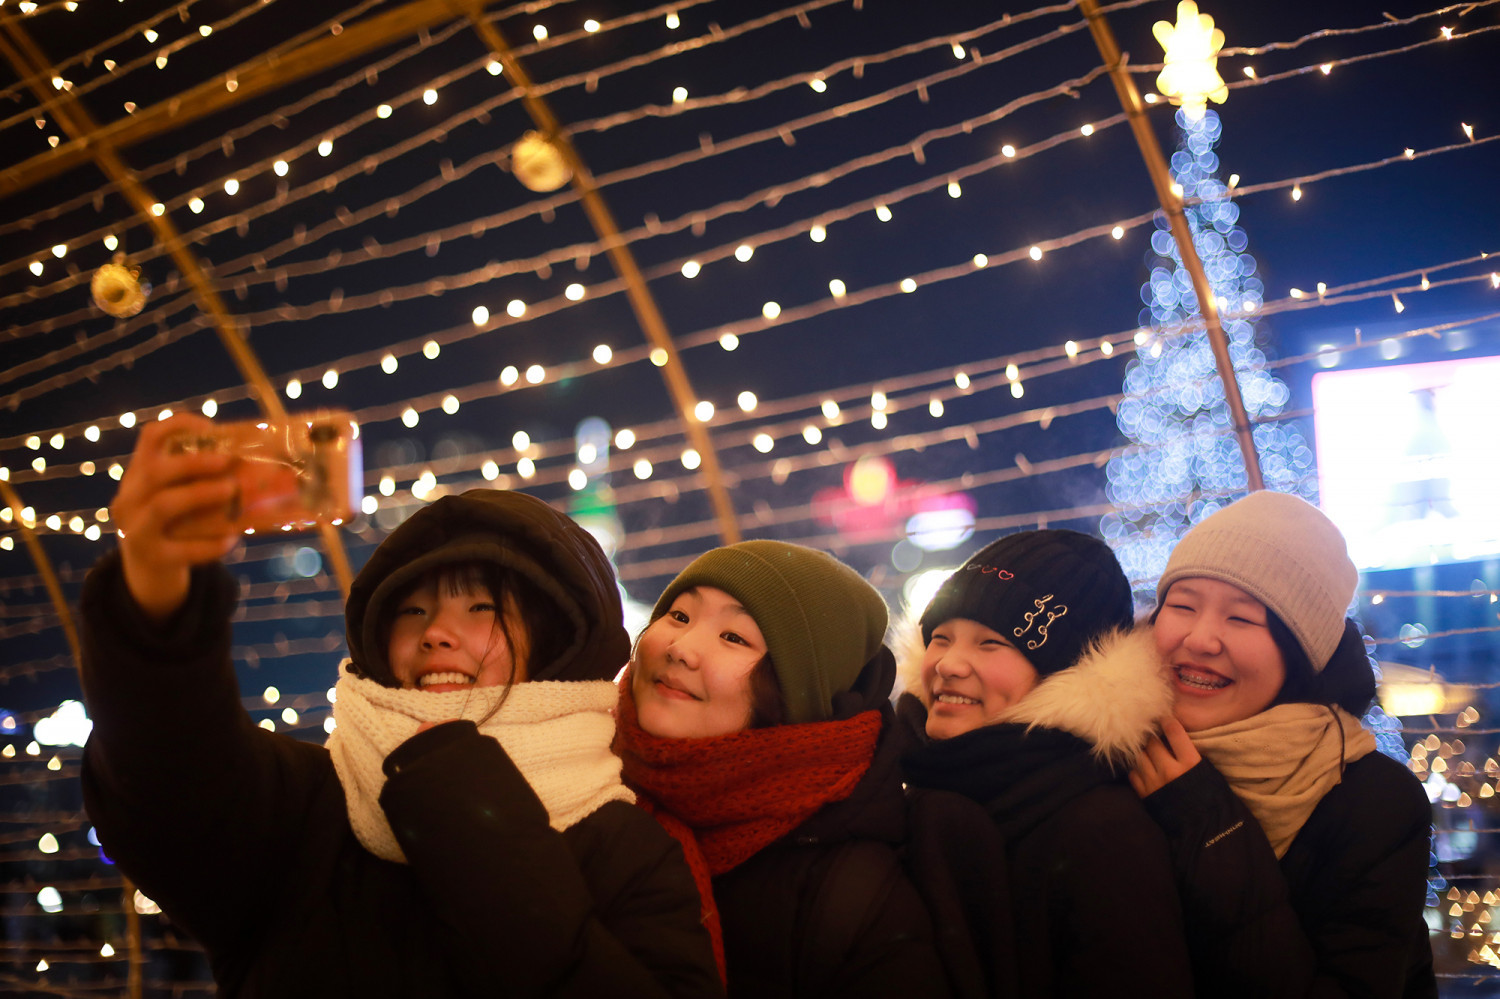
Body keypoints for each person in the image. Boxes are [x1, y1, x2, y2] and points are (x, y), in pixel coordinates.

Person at [78, 414, 722, 998]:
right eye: (413, 609)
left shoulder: (625, 846)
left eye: (482, 609)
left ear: (553, 646)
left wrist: (465, 802)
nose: (435, 632)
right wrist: (154, 592)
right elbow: (167, 772)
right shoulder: (308, 808)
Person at [1131, 490, 1436, 998]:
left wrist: (1209, 825)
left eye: (1242, 618)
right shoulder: (1110, 751)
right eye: (1182, 606)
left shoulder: (1373, 801)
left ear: (1301, 653)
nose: (1201, 639)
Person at [611, 540, 950, 998]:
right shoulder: (574, 787)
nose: (681, 648)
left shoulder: (857, 898)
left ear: (797, 693)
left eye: (734, 637)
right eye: (678, 615)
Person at [897, 529, 1194, 999]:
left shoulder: (1102, 832)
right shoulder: (907, 786)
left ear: (1063, 675)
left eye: (990, 643)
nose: (949, 664)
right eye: (940, 637)